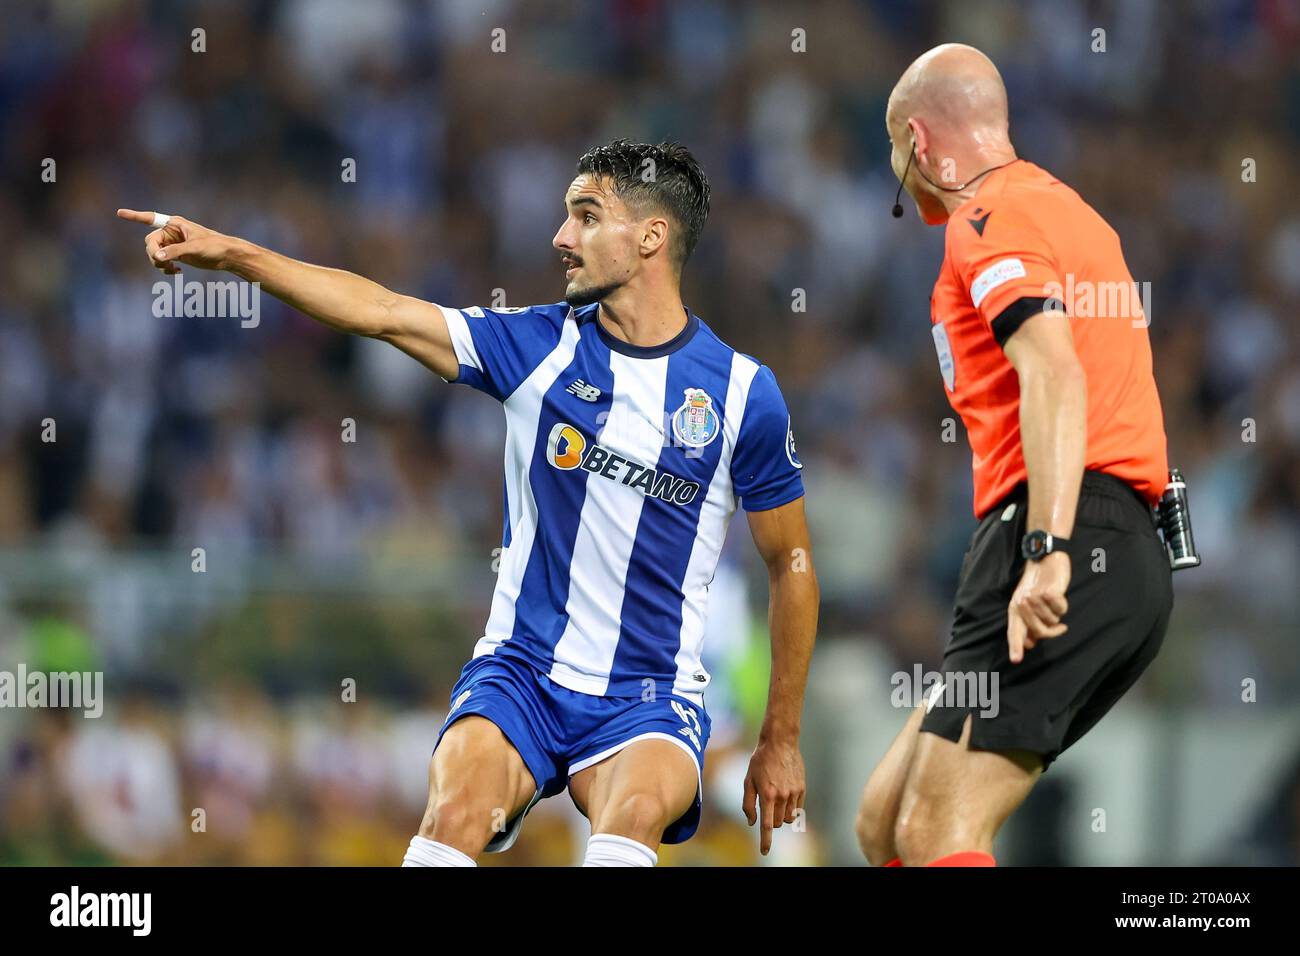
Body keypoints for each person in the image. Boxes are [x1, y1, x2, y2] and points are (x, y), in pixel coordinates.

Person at [118, 139, 818, 867]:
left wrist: (783, 737)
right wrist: (232, 255)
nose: (561, 237)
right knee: (451, 817)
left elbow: (790, 563)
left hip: (647, 696)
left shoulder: (741, 394)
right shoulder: (536, 345)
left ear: (651, 237)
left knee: (628, 822)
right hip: (521, 673)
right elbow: (383, 311)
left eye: (585, 215)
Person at [856, 45, 1173, 867]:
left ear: (920, 144)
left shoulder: (987, 218)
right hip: (1112, 540)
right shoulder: (1066, 210)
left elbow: (1054, 370)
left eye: (895, 152)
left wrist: (1048, 549)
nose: (899, 172)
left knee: (934, 830)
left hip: (1065, 536)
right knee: (885, 821)